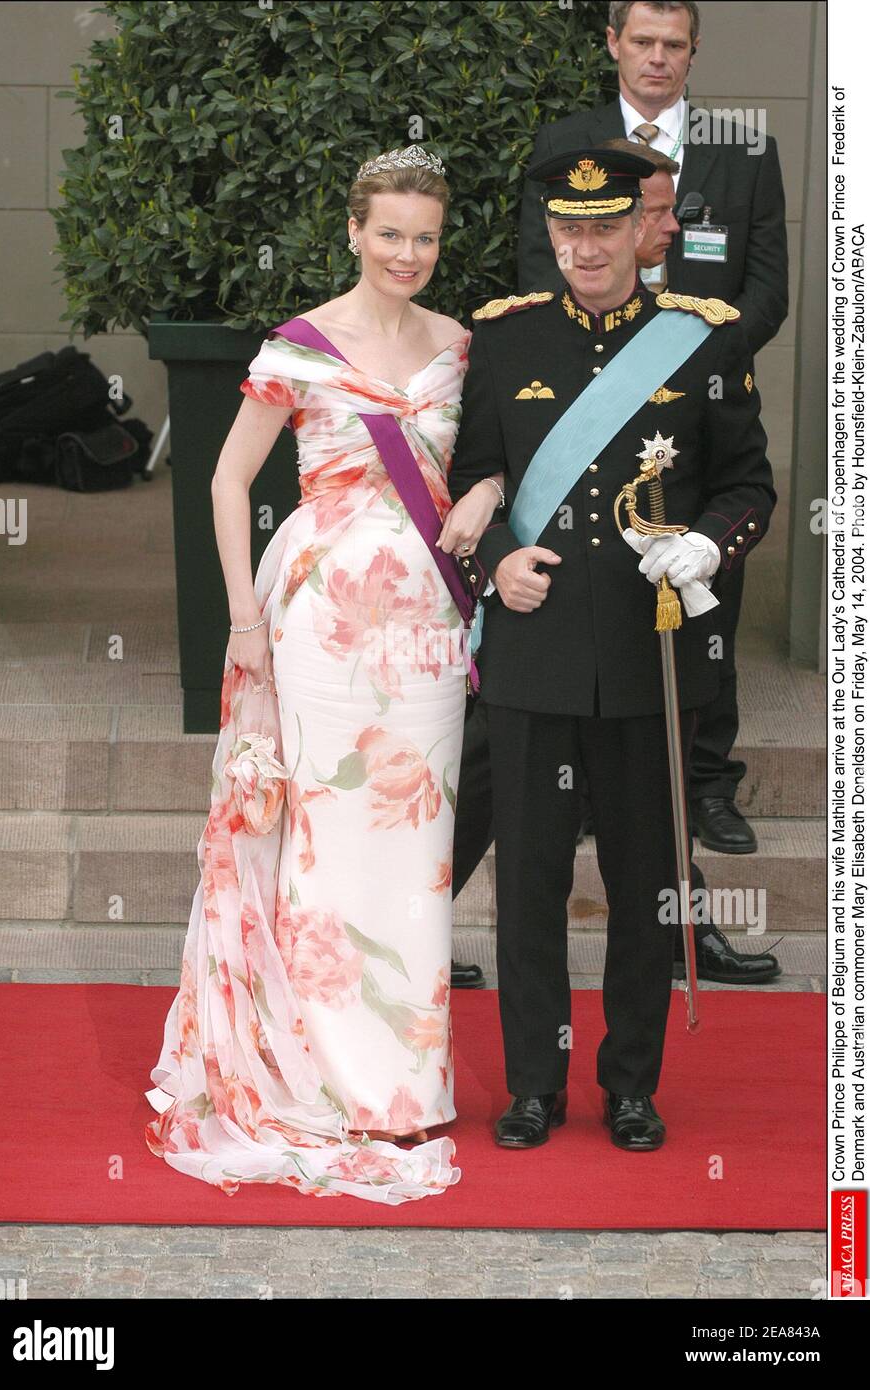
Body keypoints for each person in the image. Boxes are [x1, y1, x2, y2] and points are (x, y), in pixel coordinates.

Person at [144, 145, 497, 1203]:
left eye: (424, 236)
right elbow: (224, 477)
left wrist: (483, 489)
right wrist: (242, 621)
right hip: (318, 620)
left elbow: (494, 452)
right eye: (387, 232)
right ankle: (319, 1075)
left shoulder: (462, 348)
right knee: (319, 835)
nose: (405, 252)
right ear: (352, 231)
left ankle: (402, 1084)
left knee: (417, 846)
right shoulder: (296, 348)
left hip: (428, 627)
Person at [443, 146, 776, 1151]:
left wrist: (705, 543)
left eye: (603, 226)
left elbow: (748, 488)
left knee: (641, 888)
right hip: (534, 656)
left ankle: (631, 1084)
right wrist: (496, 562)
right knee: (530, 887)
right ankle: (533, 1086)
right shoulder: (503, 340)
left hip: (650, 657)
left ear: (642, 228)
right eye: (567, 229)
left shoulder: (700, 342)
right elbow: (476, 475)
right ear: (549, 235)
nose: (584, 246)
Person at [516, 0, 789, 857]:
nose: (657, 59)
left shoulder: (746, 149)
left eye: (674, 45)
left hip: (701, 402)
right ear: (612, 44)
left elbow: (767, 288)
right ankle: (596, 782)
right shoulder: (566, 141)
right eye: (642, 41)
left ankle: (706, 783)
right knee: (597, 584)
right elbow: (536, 268)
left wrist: (690, 356)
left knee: (707, 586)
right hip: (587, 399)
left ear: (694, 54)